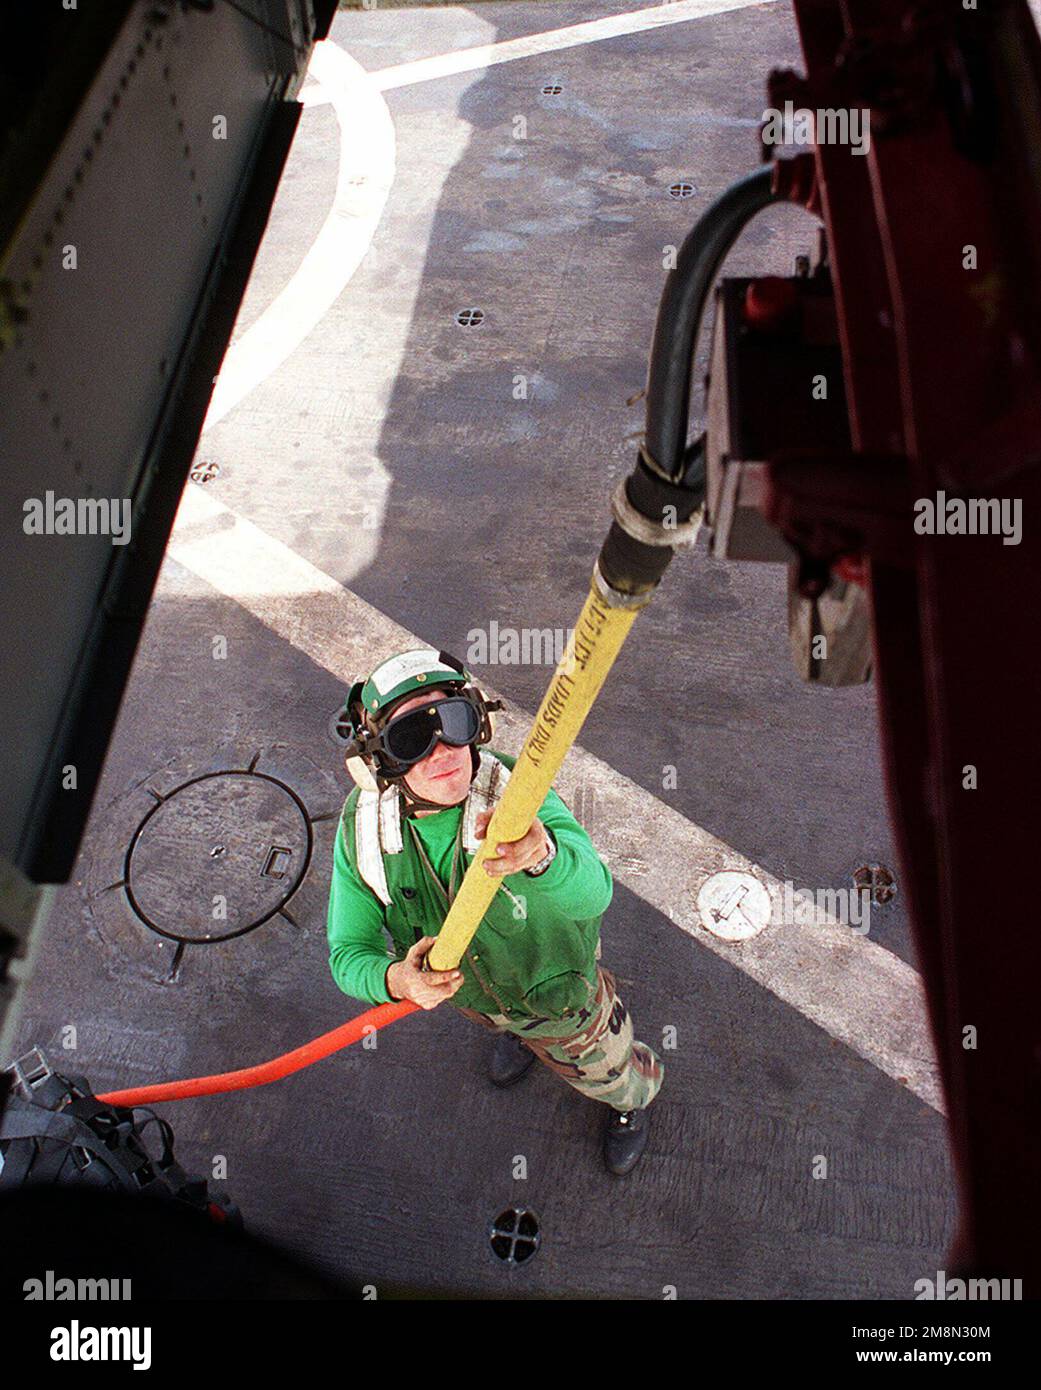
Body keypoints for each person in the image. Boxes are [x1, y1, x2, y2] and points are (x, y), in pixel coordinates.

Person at [326, 646, 663, 1174]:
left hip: (562, 996)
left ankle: (629, 1104)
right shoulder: (364, 831)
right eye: (412, 737)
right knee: (502, 1022)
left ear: (477, 724)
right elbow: (348, 953)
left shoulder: (518, 798)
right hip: (480, 998)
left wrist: (543, 855)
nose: (444, 752)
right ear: (379, 761)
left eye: (453, 722)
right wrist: (396, 979)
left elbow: (595, 893)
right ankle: (519, 1037)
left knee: (609, 1069)